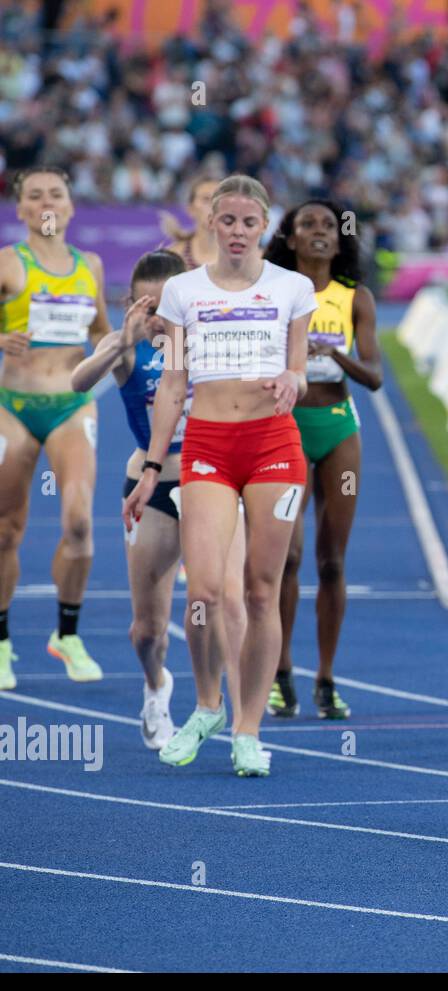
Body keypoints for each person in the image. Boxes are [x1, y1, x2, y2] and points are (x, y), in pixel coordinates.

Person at [124, 174, 316, 777]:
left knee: (261, 590)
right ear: (211, 224)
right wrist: (153, 467)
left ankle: (249, 729)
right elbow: (174, 384)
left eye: (248, 222)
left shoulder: (293, 287)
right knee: (204, 591)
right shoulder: (183, 292)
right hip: (207, 444)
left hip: (274, 447)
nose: (237, 232)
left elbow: (299, 371)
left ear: (265, 227)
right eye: (227, 221)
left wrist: (294, 381)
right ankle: (207, 704)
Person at [71, 250, 248, 747]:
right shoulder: (125, 346)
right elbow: (79, 382)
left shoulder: (204, 341)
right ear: (131, 304)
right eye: (148, 309)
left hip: (211, 481)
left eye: (167, 307)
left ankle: (237, 721)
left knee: (224, 603)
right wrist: (121, 341)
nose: (158, 320)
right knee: (147, 631)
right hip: (149, 488)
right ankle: (156, 686)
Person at [263, 200, 383, 719]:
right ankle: (281, 673)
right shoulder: (273, 293)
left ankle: (327, 680)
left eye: (328, 226)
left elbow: (374, 377)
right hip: (285, 426)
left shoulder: (356, 298)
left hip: (338, 428)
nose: (318, 232)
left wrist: (332, 353)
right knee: (286, 559)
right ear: (289, 239)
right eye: (307, 225)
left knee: (331, 563)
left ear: (339, 240)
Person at [0, 166, 112, 689]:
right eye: (35, 195)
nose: (46, 202)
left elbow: (102, 333)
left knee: (80, 524)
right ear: (20, 209)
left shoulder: (89, 266)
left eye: (56, 194)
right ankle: (1, 643)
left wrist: (132, 341)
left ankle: (67, 635)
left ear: (70, 207)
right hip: (13, 406)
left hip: (72, 406)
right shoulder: (8, 264)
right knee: (5, 531)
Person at [161, 176, 222, 269]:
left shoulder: (244, 257)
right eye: (206, 199)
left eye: (219, 199)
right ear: (191, 209)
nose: (214, 206)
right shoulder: (172, 257)